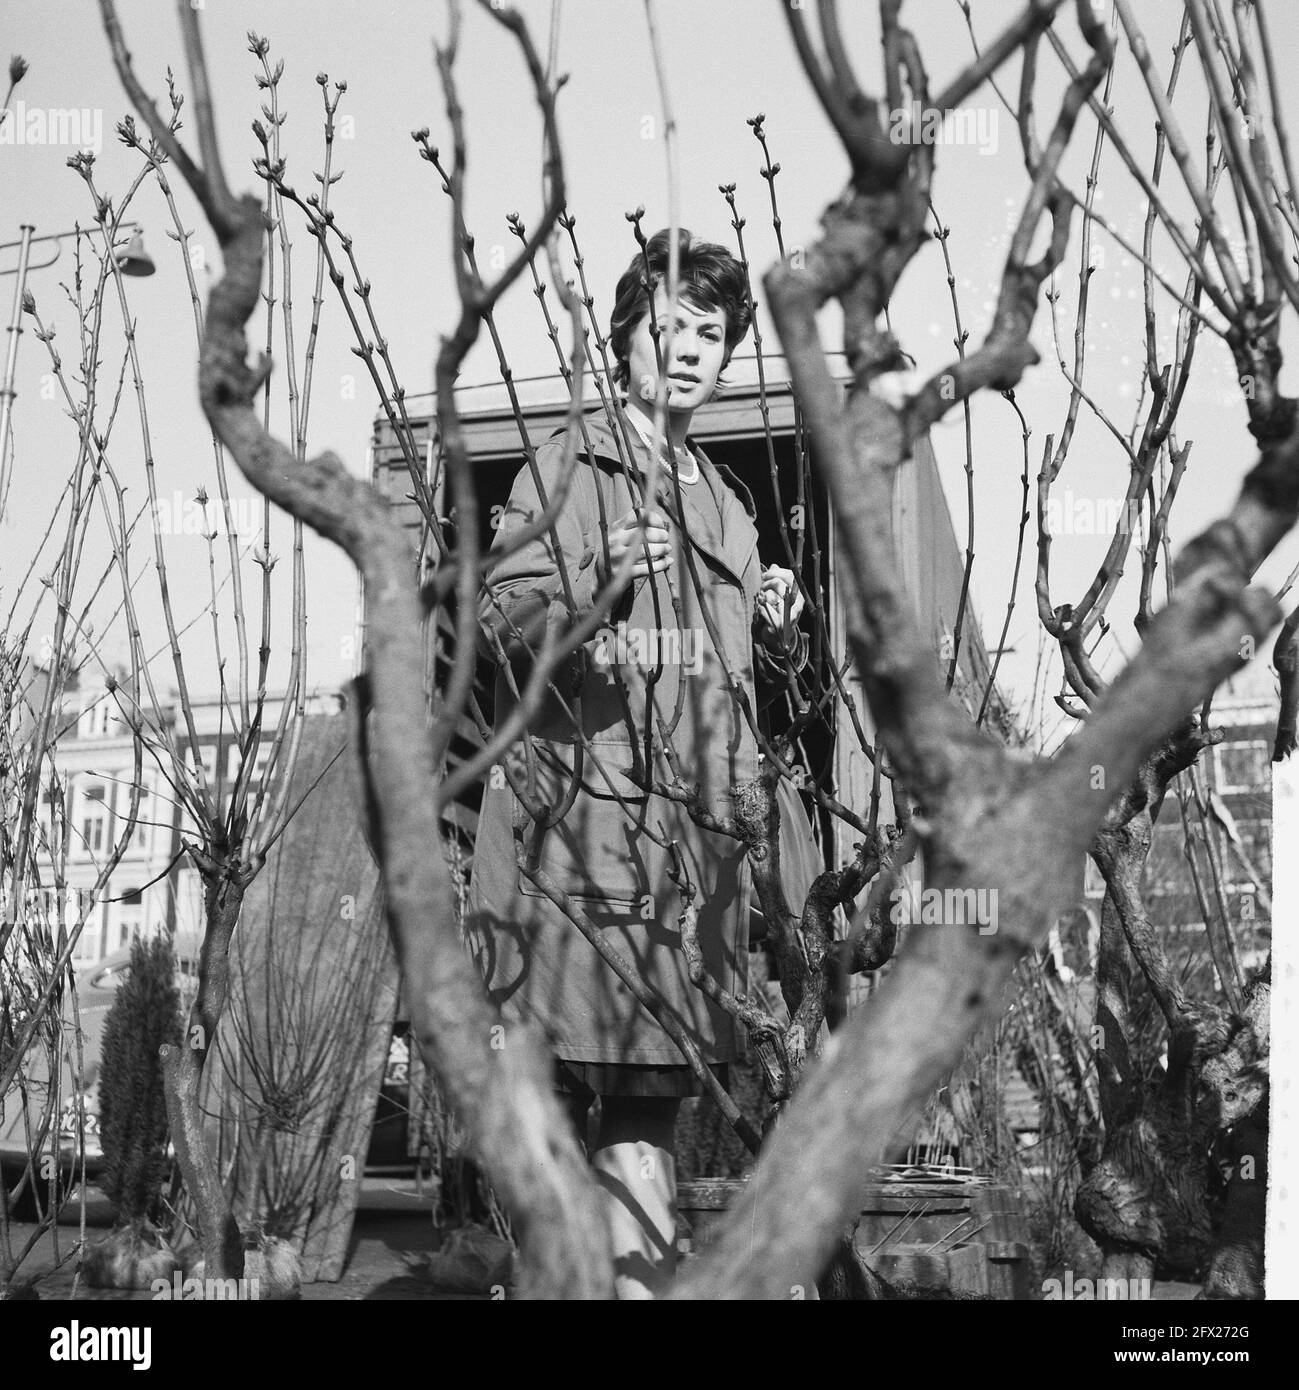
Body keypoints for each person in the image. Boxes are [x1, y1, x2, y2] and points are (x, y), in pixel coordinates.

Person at [465, 228, 807, 1297]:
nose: (694, 349)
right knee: (561, 1128)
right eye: (672, 328)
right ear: (627, 339)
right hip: (574, 856)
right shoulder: (570, 463)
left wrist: (779, 626)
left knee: (651, 1121)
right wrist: (594, 576)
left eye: (713, 333)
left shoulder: (723, 503)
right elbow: (496, 620)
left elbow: (729, 696)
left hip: (686, 873)